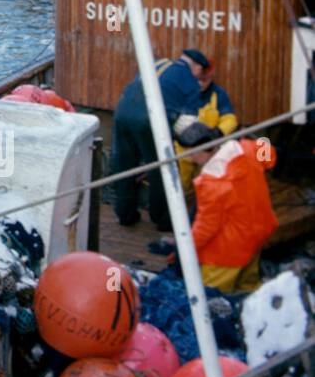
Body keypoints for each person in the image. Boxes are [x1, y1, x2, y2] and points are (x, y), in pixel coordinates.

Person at [110, 49, 235, 229]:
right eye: (201, 74)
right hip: (151, 122)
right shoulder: (190, 82)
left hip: (122, 113)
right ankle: (162, 219)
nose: (200, 79)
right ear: (197, 67)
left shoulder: (159, 63)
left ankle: (124, 214)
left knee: (124, 164)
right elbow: (185, 127)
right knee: (163, 169)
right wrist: (201, 143)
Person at [174, 123, 277, 293]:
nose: (190, 159)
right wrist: (259, 137)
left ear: (202, 150)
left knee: (214, 299)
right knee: (250, 289)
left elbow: (206, 227)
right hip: (257, 234)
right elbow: (270, 155)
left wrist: (186, 248)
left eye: (191, 153)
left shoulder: (211, 181)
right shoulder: (247, 148)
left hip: (226, 253)